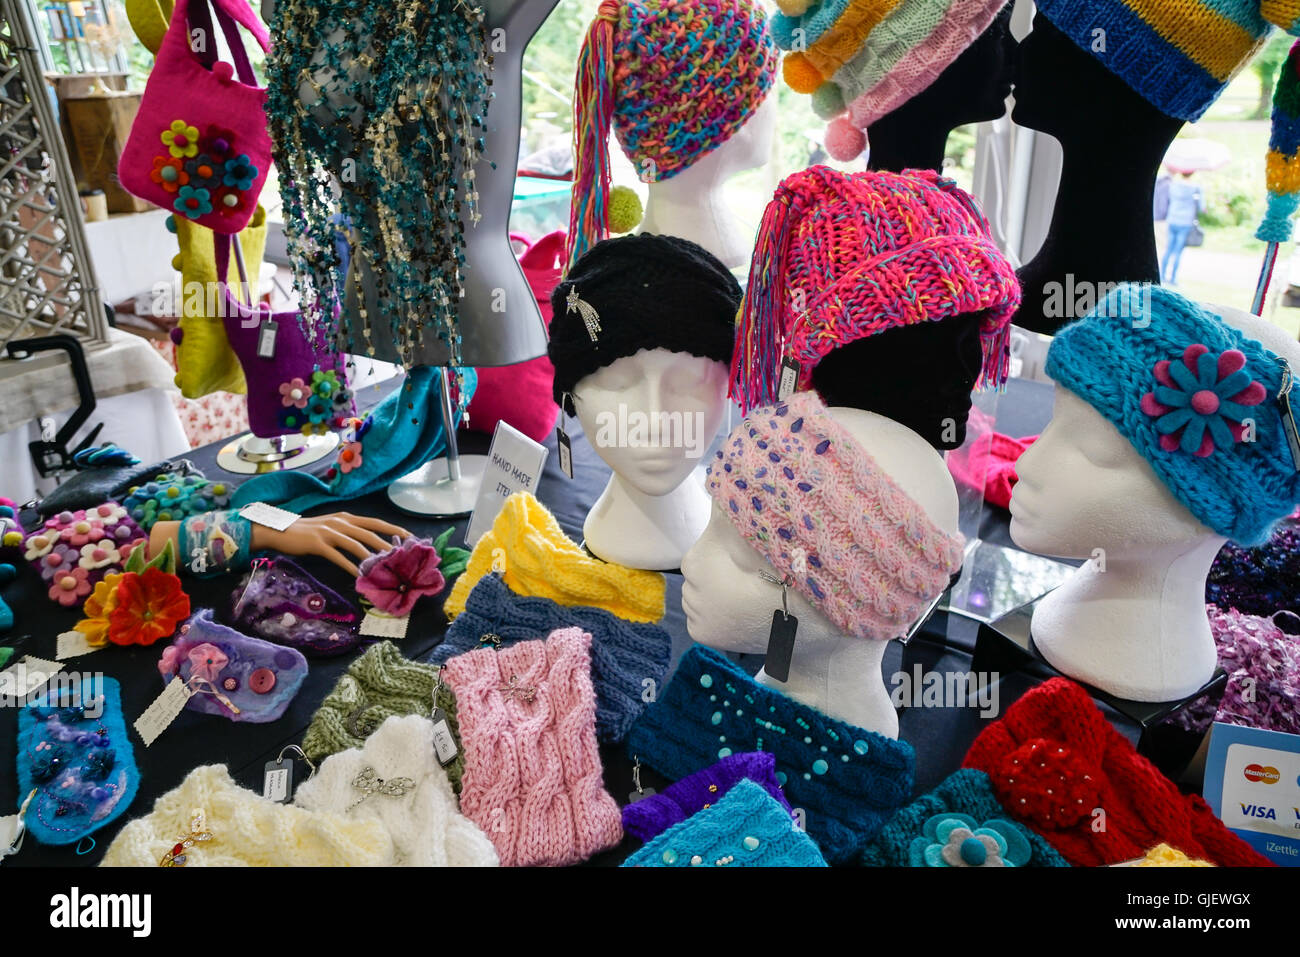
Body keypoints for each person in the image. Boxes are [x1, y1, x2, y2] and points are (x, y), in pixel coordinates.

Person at [1162, 171, 1205, 286]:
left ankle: (1162, 276)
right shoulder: (1196, 188)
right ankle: (1172, 278)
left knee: (1168, 249)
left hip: (1172, 219)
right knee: (1178, 251)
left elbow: (1167, 200)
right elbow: (1202, 208)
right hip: (1185, 222)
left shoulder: (1173, 185)